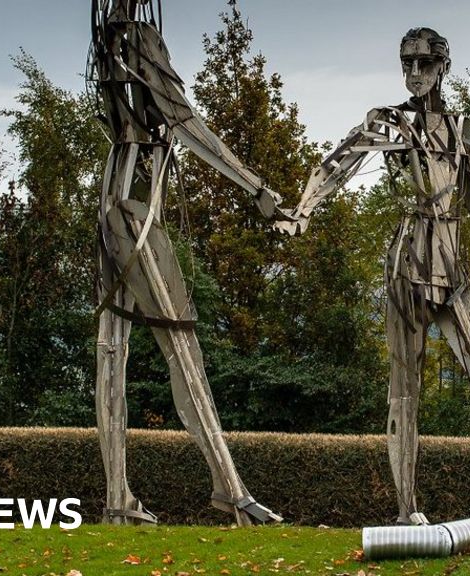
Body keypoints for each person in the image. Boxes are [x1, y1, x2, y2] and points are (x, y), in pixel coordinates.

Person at [276, 28, 470, 525]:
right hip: (408, 263)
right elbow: (338, 162)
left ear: (444, 66)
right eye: (407, 64)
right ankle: (407, 510)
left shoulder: (461, 131)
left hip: (453, 265)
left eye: (424, 63)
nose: (414, 74)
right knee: (405, 389)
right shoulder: (393, 123)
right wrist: (303, 209)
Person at [89, 0, 288, 525]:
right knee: (182, 346)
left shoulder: (104, 40)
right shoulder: (140, 37)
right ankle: (233, 491)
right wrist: (255, 187)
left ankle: (118, 499)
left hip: (111, 197)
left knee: (113, 350)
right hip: (137, 208)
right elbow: (182, 120)